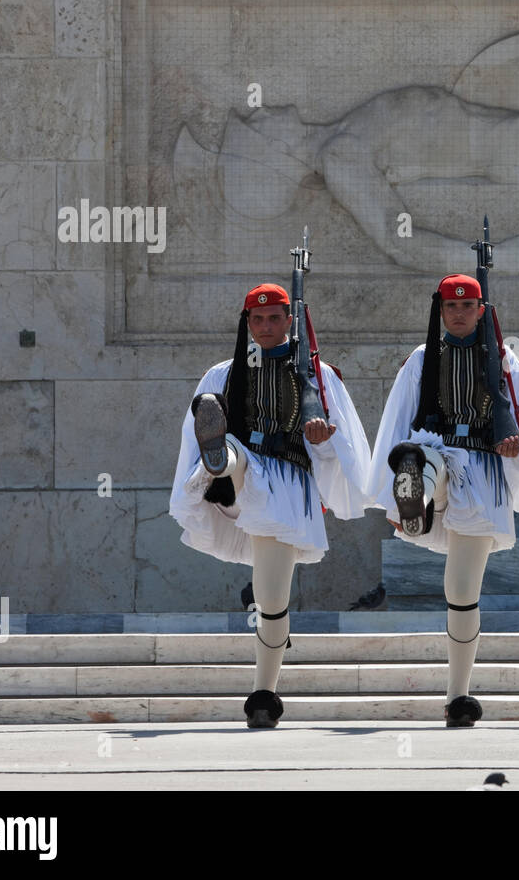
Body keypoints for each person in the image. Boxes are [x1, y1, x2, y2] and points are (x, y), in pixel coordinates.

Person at [169, 283, 371, 728]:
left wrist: (322, 440)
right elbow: (189, 438)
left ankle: (264, 693)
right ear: (247, 323)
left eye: (274, 318)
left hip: (286, 486)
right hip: (244, 474)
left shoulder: (317, 376)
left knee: (272, 599)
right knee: (230, 451)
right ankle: (220, 462)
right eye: (257, 320)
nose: (265, 327)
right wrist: (190, 490)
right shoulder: (221, 376)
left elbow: (349, 445)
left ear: (289, 321)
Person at [366, 274, 519, 727]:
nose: (460, 313)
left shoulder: (504, 360)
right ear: (441, 311)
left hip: (483, 471)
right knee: (422, 457)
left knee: (462, 592)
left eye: (468, 306)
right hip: (435, 455)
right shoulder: (422, 360)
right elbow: (397, 424)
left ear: (482, 310)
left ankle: (458, 697)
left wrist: (517, 447)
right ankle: (415, 501)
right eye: (452, 306)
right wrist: (391, 502)